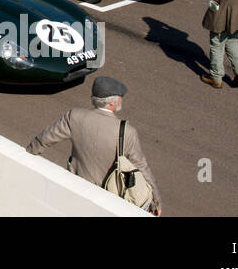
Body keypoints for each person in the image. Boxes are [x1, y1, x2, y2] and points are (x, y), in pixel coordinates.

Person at [27, 75, 161, 214]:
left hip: (78, 190)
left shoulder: (74, 116)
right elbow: (141, 166)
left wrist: (28, 154)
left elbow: (44, 139)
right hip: (110, 199)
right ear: (112, 103)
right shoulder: (126, 131)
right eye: (120, 97)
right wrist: (155, 202)